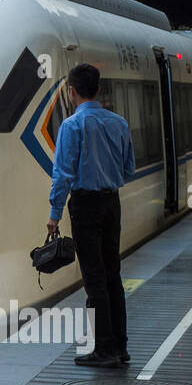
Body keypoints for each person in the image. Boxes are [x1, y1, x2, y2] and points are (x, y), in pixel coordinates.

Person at [46, 63, 135, 368]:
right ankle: (120, 346)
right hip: (112, 203)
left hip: (85, 206)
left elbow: (63, 174)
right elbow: (128, 169)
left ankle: (104, 349)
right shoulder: (119, 123)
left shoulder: (72, 126)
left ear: (71, 92)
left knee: (94, 278)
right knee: (112, 273)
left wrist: (54, 213)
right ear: (98, 90)